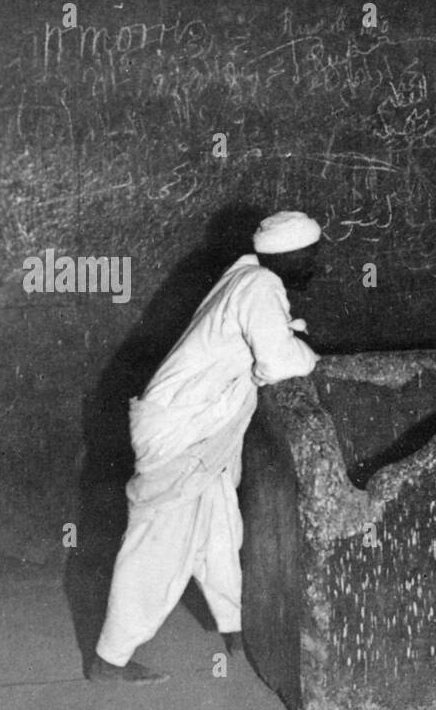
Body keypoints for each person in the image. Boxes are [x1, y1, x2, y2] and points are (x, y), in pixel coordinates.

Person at [87, 210, 322, 684]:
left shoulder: (245, 275)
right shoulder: (259, 286)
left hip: (198, 432)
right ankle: (109, 659)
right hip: (181, 432)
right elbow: (277, 363)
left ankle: (236, 630)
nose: (318, 265)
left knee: (218, 532)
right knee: (160, 545)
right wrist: (307, 352)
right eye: (313, 256)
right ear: (291, 256)